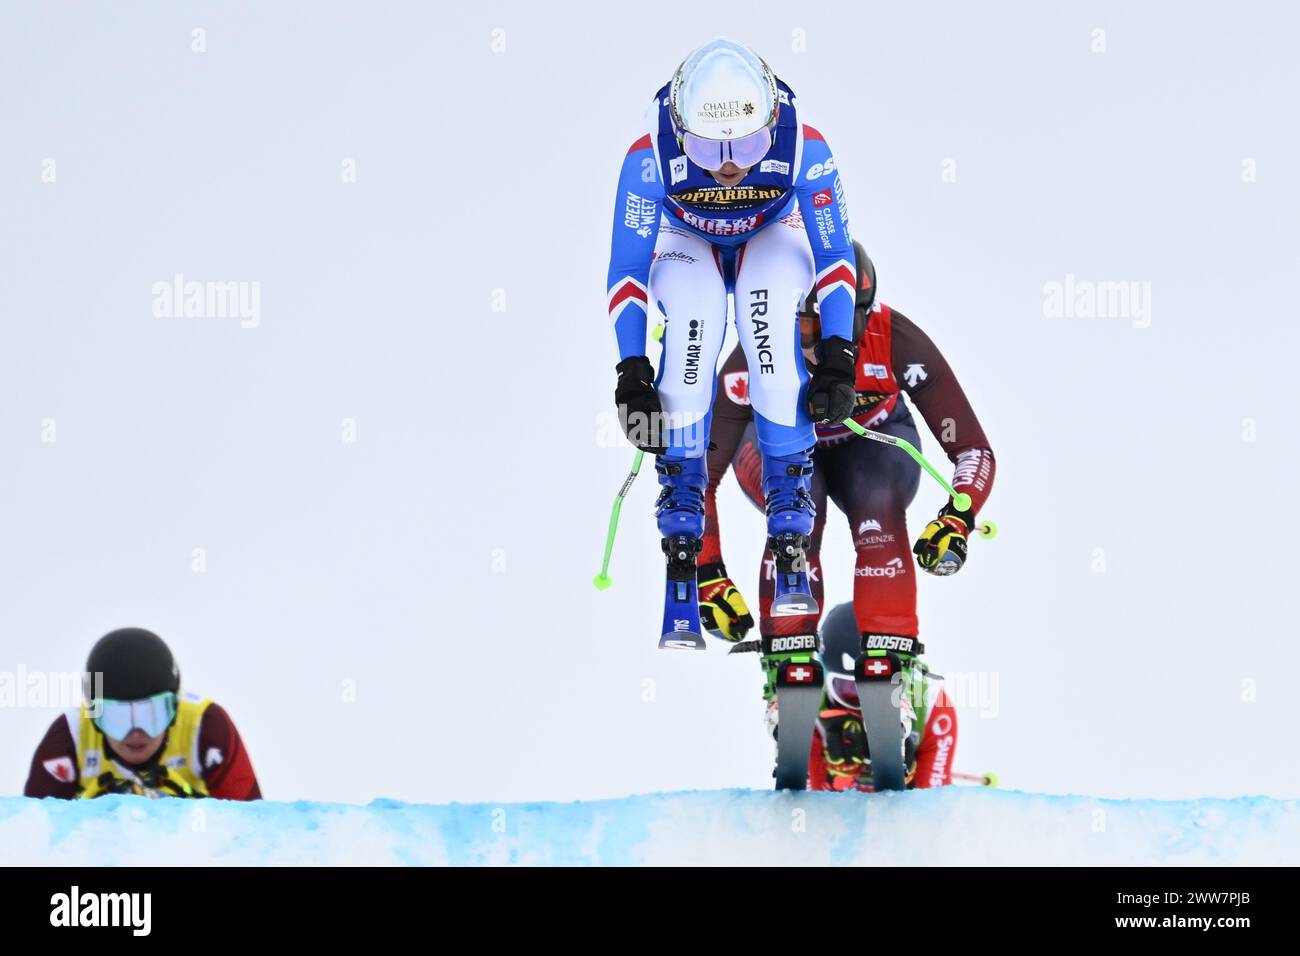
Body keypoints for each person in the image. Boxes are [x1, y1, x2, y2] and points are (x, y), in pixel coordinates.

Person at [607, 38, 861, 629]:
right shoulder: (648, 157)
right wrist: (633, 371)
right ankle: (681, 506)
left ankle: (790, 515)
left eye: (748, 144)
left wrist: (837, 353)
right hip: (684, 237)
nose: (727, 164)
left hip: (772, 232)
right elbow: (627, 270)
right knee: (693, 329)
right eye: (705, 146)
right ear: (678, 130)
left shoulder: (805, 147)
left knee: (767, 321)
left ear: (772, 123)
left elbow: (833, 256)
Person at [696, 239, 996, 717]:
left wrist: (957, 516)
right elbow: (697, 478)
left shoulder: (896, 338)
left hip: (871, 444)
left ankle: (890, 659)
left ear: (861, 316)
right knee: (797, 504)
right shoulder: (753, 354)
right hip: (780, 448)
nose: (807, 346)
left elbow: (972, 449)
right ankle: (786, 667)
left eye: (822, 328)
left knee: (878, 507)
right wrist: (707, 571)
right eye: (795, 326)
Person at [24, 627, 261, 799]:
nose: (136, 733)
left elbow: (251, 834)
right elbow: (33, 844)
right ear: (94, 716)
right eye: (118, 718)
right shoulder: (68, 739)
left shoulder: (206, 726)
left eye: (151, 715)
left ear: (175, 708)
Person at [808, 603, 958, 791]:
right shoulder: (809, 707)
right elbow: (811, 812)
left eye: (879, 691)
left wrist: (908, 781)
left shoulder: (932, 707)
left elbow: (931, 813)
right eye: (848, 689)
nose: (864, 707)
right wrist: (836, 779)